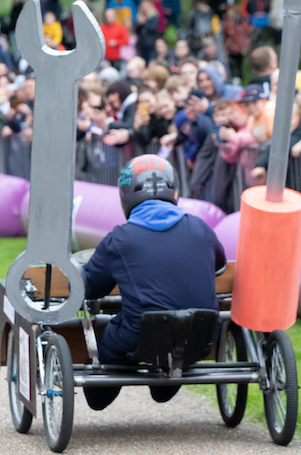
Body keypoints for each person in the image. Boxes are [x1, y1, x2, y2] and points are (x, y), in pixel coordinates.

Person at [81, 154, 226, 411]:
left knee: (111, 339)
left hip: (141, 334)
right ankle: (166, 382)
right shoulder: (200, 227)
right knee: (171, 332)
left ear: (125, 195)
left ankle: (100, 396)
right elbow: (219, 267)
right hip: (202, 333)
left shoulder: (120, 239)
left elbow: (92, 286)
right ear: (174, 191)